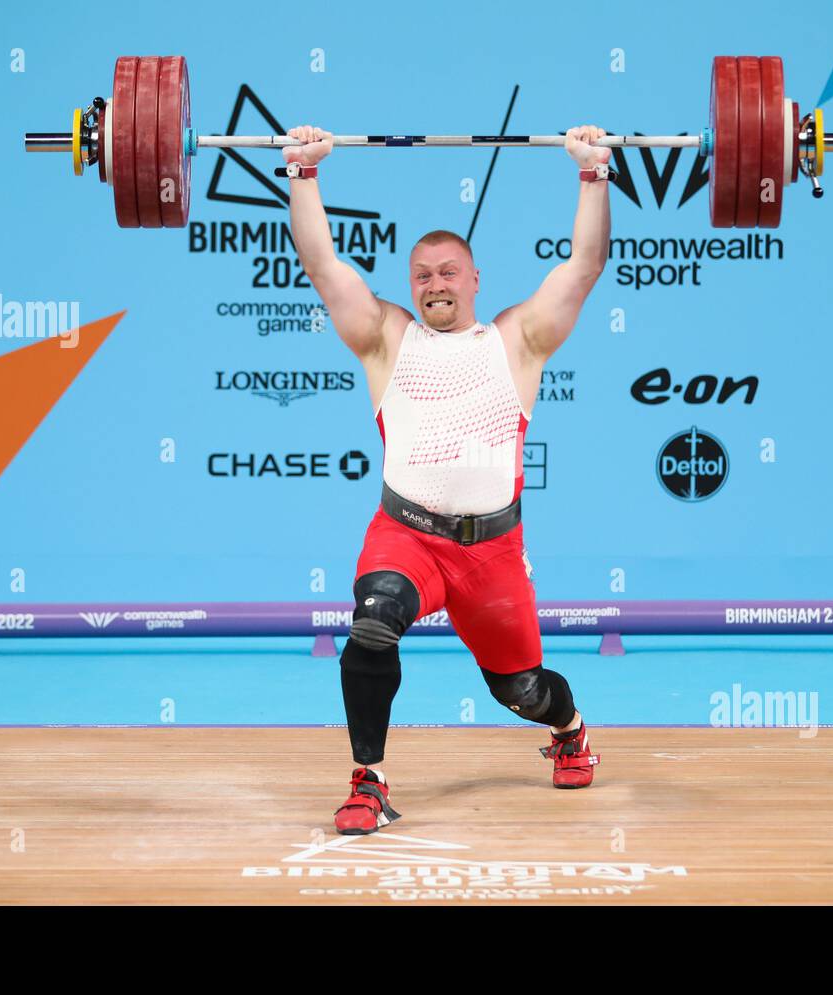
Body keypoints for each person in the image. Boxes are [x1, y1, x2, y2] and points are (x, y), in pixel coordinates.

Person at [284, 124, 611, 834]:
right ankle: (368, 779)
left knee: (521, 689)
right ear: (413, 285)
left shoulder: (517, 340)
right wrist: (303, 172)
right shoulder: (384, 337)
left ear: (474, 279)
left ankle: (571, 729)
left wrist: (592, 174)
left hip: (492, 554)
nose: (435, 283)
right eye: (423, 274)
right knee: (373, 620)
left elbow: (584, 266)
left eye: (448, 272)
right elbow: (321, 263)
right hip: (407, 535)